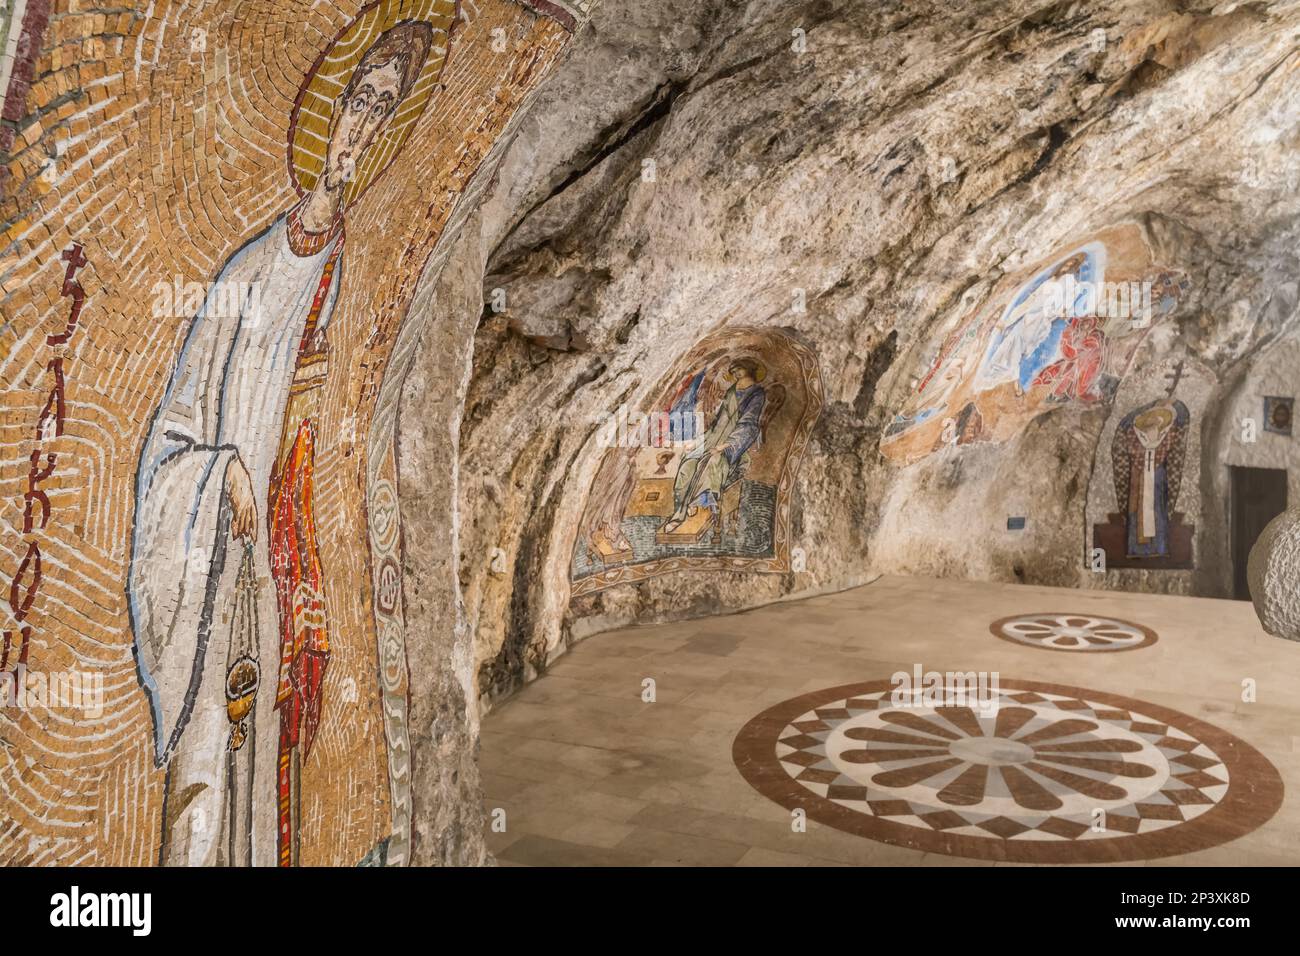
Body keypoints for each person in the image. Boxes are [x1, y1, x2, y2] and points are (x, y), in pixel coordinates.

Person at [126, 22, 434, 866]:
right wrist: (220, 475)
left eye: (385, 115)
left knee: (264, 776)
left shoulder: (354, 272)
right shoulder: (249, 276)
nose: (365, 129)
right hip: (220, 559)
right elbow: (174, 432)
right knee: (205, 771)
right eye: (359, 105)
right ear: (328, 120)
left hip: (283, 570)